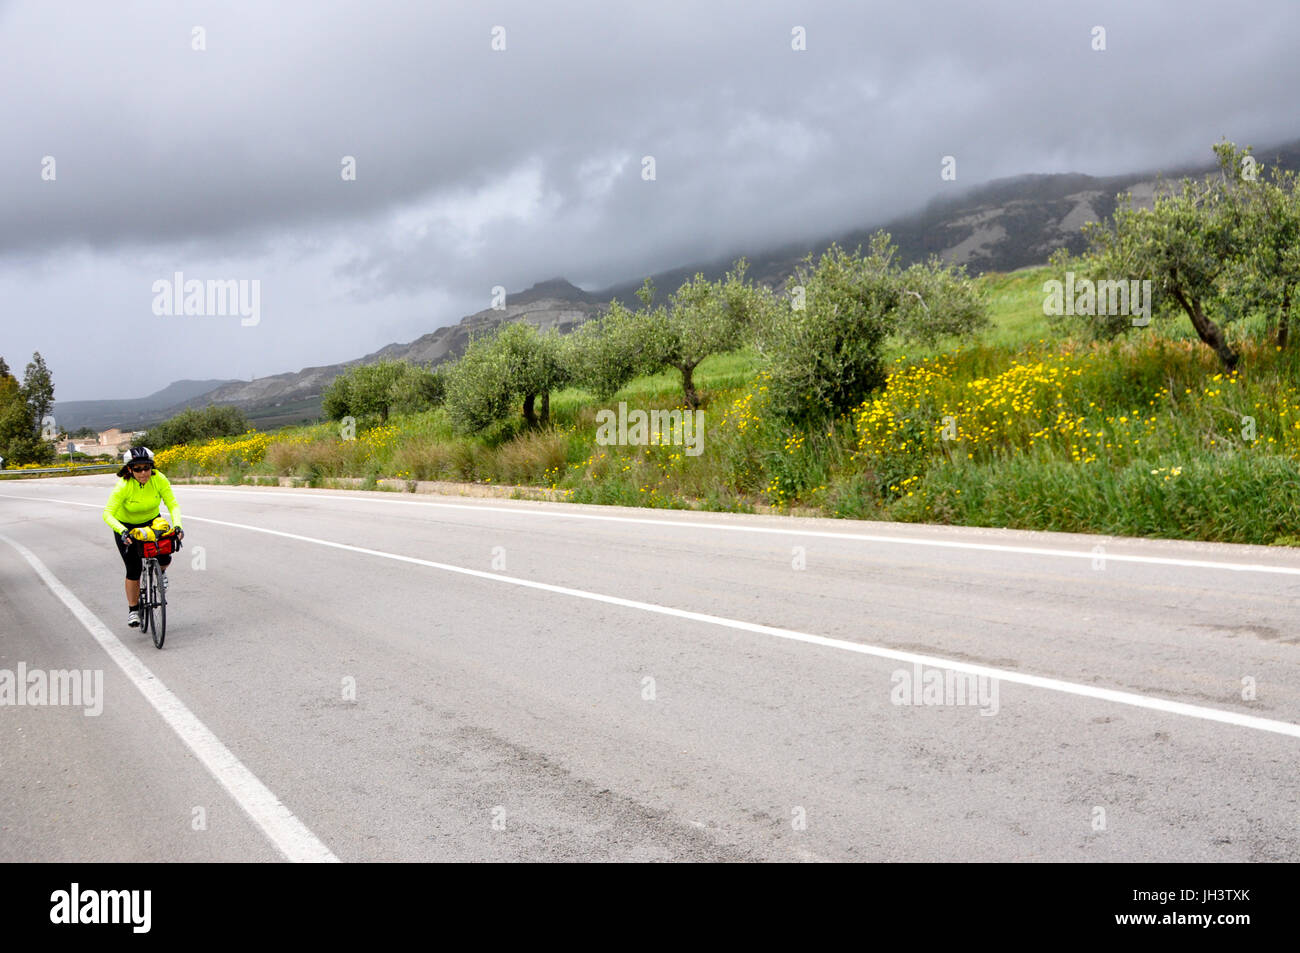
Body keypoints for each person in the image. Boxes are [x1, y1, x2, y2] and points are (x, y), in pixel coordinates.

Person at [102, 446, 184, 628]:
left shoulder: (159, 479)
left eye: (146, 467)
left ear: (151, 467)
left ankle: (161, 572)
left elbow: (173, 505)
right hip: (126, 526)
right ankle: (133, 609)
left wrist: (178, 525)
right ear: (129, 469)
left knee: (165, 553)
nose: (143, 472)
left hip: (152, 522)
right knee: (134, 568)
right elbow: (107, 514)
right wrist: (122, 531)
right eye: (137, 469)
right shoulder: (123, 486)